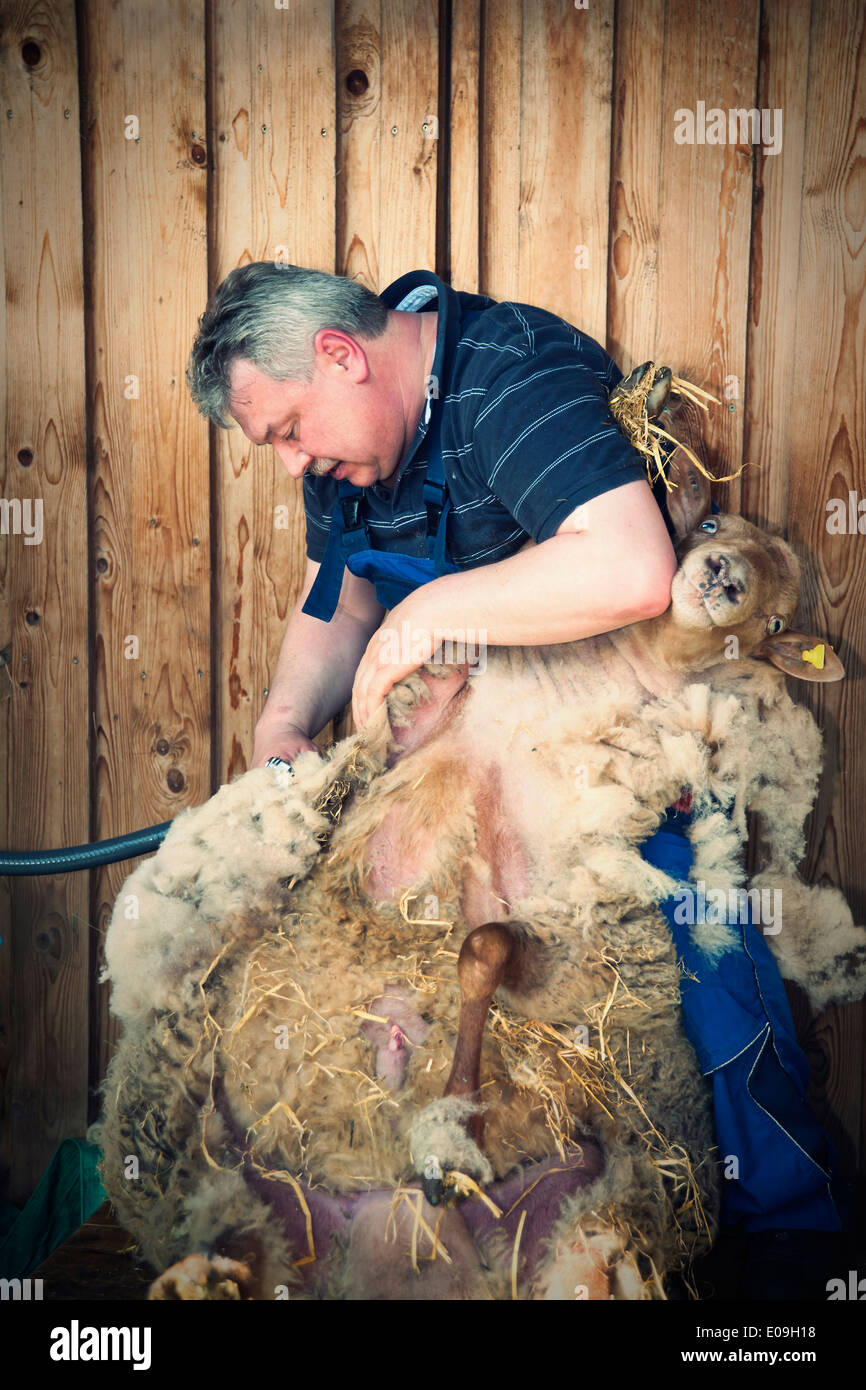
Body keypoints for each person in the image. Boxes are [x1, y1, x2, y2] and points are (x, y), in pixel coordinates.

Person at [187, 262, 850, 1296]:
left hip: (603, 767)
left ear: (339, 356)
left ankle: (793, 1260)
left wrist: (426, 614)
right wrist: (281, 722)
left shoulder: (509, 375)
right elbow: (341, 599)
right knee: (310, 977)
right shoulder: (351, 458)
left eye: (285, 430)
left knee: (703, 965)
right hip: (454, 780)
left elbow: (626, 565)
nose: (288, 462)